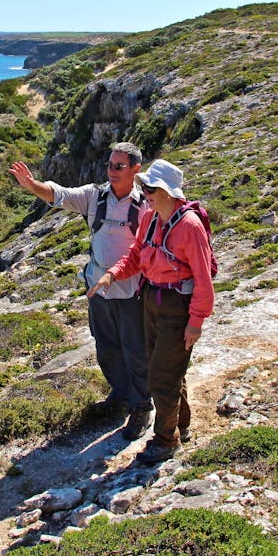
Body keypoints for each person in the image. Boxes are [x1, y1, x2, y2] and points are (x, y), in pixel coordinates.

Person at [8, 142, 153, 440]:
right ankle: (122, 393)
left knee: (136, 351)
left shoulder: (146, 204)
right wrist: (32, 185)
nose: (111, 171)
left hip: (132, 290)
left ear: (135, 169)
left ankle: (141, 406)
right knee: (106, 347)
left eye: (119, 166)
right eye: (109, 165)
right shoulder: (95, 196)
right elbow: (60, 194)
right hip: (97, 288)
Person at [88, 158, 214, 464]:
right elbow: (136, 254)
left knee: (161, 376)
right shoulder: (151, 218)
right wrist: (113, 273)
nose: (145, 192)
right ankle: (181, 425)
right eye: (145, 186)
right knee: (167, 369)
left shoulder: (190, 227)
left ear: (170, 193)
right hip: (151, 300)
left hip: (177, 307)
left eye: (152, 188)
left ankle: (165, 441)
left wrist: (195, 322)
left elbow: (203, 279)